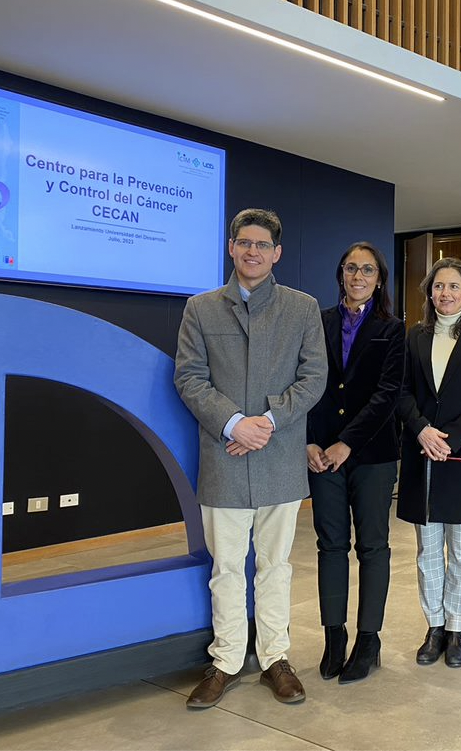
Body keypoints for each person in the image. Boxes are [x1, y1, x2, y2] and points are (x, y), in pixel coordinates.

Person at [174, 208, 327, 708]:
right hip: (223, 456)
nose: (253, 251)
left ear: (276, 253)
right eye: (245, 243)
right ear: (232, 247)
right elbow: (189, 378)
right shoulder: (201, 308)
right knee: (226, 568)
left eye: (262, 245)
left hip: (279, 457)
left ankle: (276, 659)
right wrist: (234, 424)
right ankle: (225, 661)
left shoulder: (302, 308)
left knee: (276, 565)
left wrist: (265, 423)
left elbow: (313, 379)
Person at [306, 242, 404, 684]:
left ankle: (368, 640)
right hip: (321, 453)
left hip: (372, 454)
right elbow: (303, 383)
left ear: (379, 278)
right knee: (330, 544)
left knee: (372, 546)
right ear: (340, 274)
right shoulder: (317, 321)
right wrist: (308, 440)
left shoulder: (393, 328)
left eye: (367, 270)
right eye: (350, 268)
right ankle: (334, 636)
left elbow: (387, 395)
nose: (358, 276)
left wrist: (347, 442)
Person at [397, 257, 461, 669]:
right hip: (422, 450)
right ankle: (434, 626)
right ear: (429, 292)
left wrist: (452, 435)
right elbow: (402, 391)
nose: (446, 293)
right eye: (439, 286)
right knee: (427, 550)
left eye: (454, 286)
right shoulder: (415, 336)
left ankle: (457, 628)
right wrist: (422, 429)